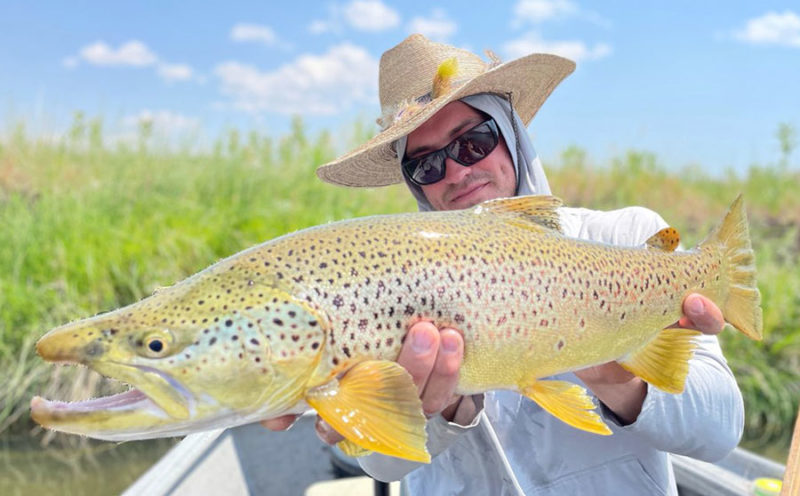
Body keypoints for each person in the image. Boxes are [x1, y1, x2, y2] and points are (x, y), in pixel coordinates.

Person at [263, 34, 743, 495]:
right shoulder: (388, 280)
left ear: (510, 133)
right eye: (427, 164)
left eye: (472, 141)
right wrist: (440, 404)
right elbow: (382, 465)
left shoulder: (627, 241)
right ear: (413, 184)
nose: (456, 171)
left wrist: (616, 377)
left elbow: (721, 430)